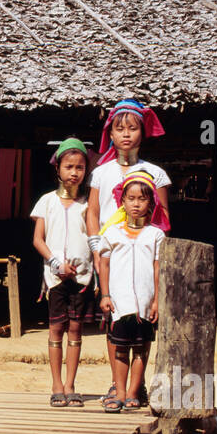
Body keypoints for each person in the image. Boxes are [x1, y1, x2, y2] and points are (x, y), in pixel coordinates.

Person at [86, 98, 171, 408]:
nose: (126, 134)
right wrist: (96, 248)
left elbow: (162, 216)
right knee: (114, 317)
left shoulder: (155, 173)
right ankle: (116, 384)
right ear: (110, 133)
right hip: (111, 252)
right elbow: (93, 212)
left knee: (142, 316)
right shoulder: (101, 172)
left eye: (132, 128)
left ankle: (136, 386)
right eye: (119, 129)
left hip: (144, 250)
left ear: (142, 132)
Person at [31, 138, 94, 407]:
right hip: (55, 277)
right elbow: (38, 240)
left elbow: (94, 236)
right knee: (56, 328)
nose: (74, 172)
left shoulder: (89, 204)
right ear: (58, 169)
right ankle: (56, 384)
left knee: (77, 328)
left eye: (80, 167)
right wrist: (56, 263)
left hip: (82, 276)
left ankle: (71, 384)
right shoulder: (47, 201)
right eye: (68, 166)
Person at [94, 171, 164, 412]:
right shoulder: (111, 233)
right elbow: (104, 264)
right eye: (131, 198)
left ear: (151, 203)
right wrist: (105, 295)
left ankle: (134, 393)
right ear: (121, 201)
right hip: (119, 303)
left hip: (145, 304)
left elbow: (157, 267)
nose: (136, 204)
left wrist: (156, 300)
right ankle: (120, 392)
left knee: (141, 349)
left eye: (142, 199)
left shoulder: (156, 235)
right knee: (121, 350)